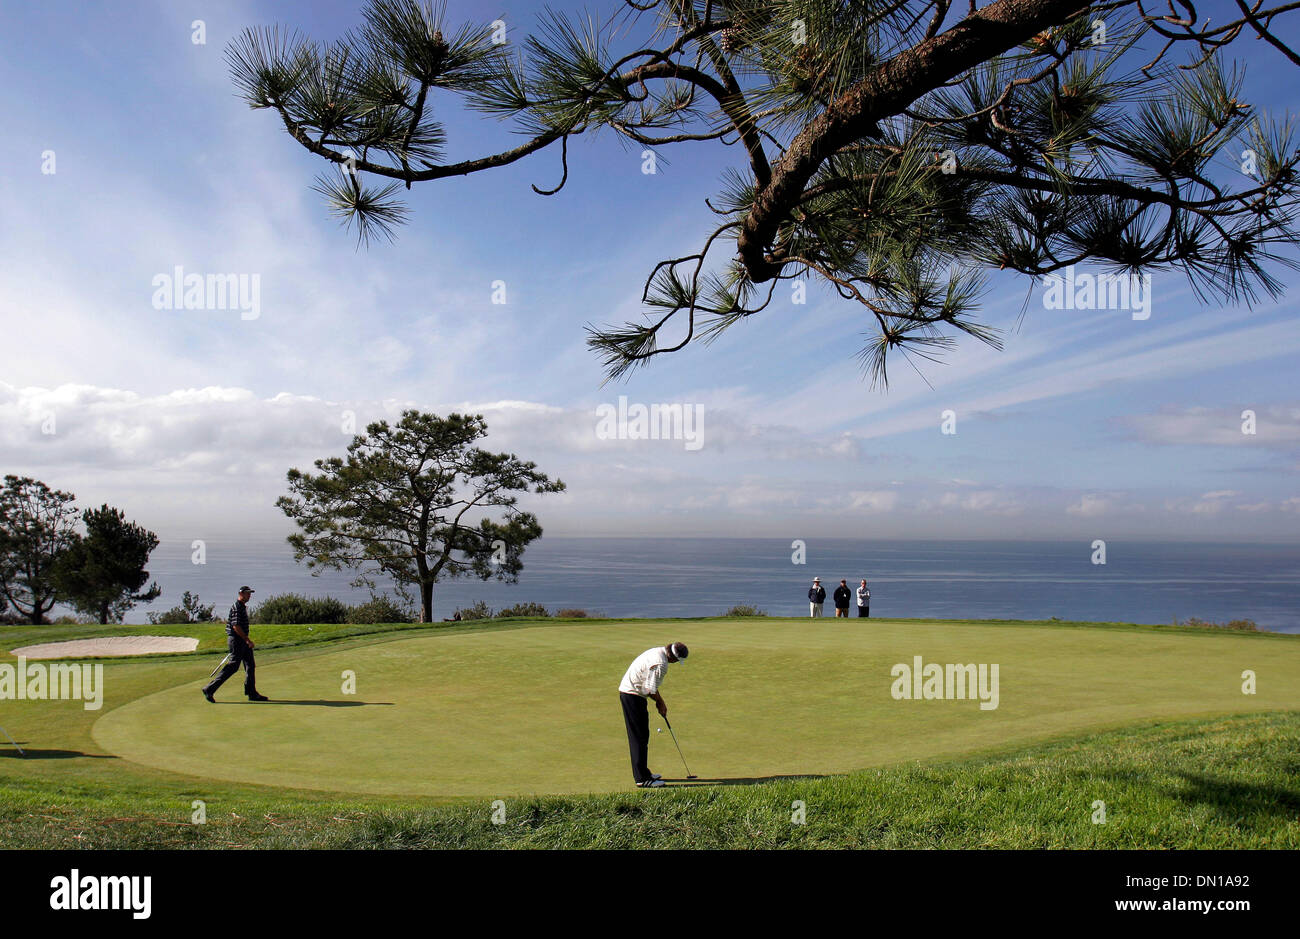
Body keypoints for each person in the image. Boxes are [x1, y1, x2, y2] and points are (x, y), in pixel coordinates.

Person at [618, 641, 689, 788]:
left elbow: (649, 687)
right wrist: (661, 703)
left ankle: (644, 772)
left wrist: (659, 702)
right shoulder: (661, 664)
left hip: (633, 692)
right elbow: (649, 689)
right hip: (632, 695)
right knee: (639, 737)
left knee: (643, 735)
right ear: (674, 658)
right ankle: (642, 779)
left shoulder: (659, 651)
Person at [202, 586, 268, 702]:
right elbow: (236, 626)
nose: (249, 596)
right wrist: (247, 640)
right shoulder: (237, 607)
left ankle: (252, 693)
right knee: (233, 667)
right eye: (247, 593)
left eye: (250, 593)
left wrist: (246, 640)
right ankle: (209, 689)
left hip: (241, 640)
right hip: (237, 640)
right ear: (241, 593)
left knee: (250, 666)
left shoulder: (242, 607)